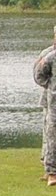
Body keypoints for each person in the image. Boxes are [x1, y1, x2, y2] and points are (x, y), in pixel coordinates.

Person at [36, 25, 56, 186]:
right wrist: (50, 87)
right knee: (49, 132)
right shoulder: (47, 54)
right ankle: (48, 167)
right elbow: (38, 75)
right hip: (50, 101)